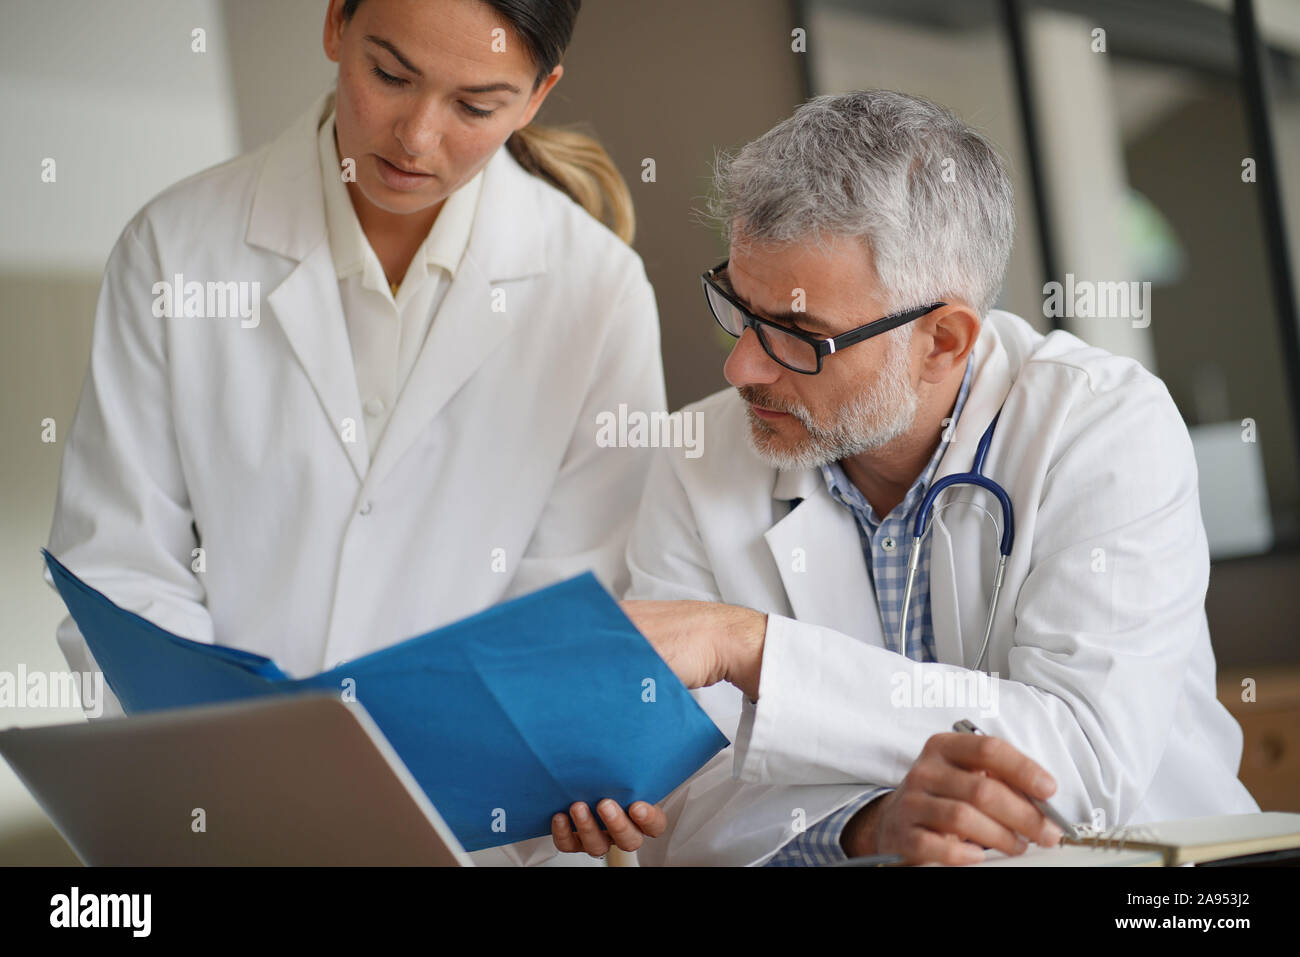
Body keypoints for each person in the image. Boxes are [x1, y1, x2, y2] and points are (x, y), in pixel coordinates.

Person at [551, 89, 1258, 866]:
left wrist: (752, 648)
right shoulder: (701, 459)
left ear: (943, 340)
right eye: (739, 306)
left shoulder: (1103, 428)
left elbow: (1077, 763)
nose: (740, 365)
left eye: (796, 336)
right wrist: (869, 828)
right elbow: (689, 790)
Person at [45, 0, 664, 866]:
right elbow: (120, 566)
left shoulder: (597, 292)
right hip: (222, 821)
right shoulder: (177, 248)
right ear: (336, 24)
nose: (416, 137)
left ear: (536, 96)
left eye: (475, 106)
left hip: (473, 842)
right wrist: (235, 786)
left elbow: (567, 610)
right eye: (390, 75)